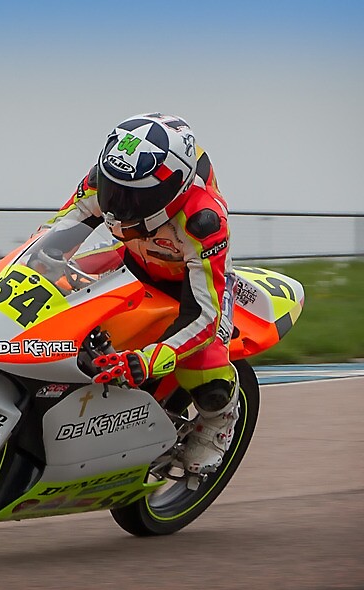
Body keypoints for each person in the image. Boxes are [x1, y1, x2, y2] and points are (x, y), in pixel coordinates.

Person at [40, 112, 238, 475]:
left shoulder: (203, 220)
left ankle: (220, 419)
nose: (117, 204)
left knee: (205, 369)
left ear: (171, 189)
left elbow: (204, 316)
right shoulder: (107, 177)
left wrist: (149, 359)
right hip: (130, 260)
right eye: (114, 191)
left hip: (188, 285)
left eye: (133, 197)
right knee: (56, 296)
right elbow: (62, 227)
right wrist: (41, 262)